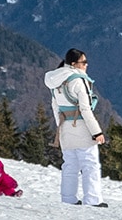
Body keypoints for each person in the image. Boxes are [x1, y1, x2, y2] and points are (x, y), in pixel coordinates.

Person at [44, 48, 108, 207]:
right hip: (81, 127)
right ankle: (93, 200)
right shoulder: (78, 80)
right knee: (90, 164)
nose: (86, 65)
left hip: (65, 127)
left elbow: (55, 106)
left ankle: (68, 199)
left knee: (70, 165)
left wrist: (60, 127)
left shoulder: (55, 80)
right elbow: (86, 109)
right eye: (83, 62)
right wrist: (97, 132)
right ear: (74, 64)